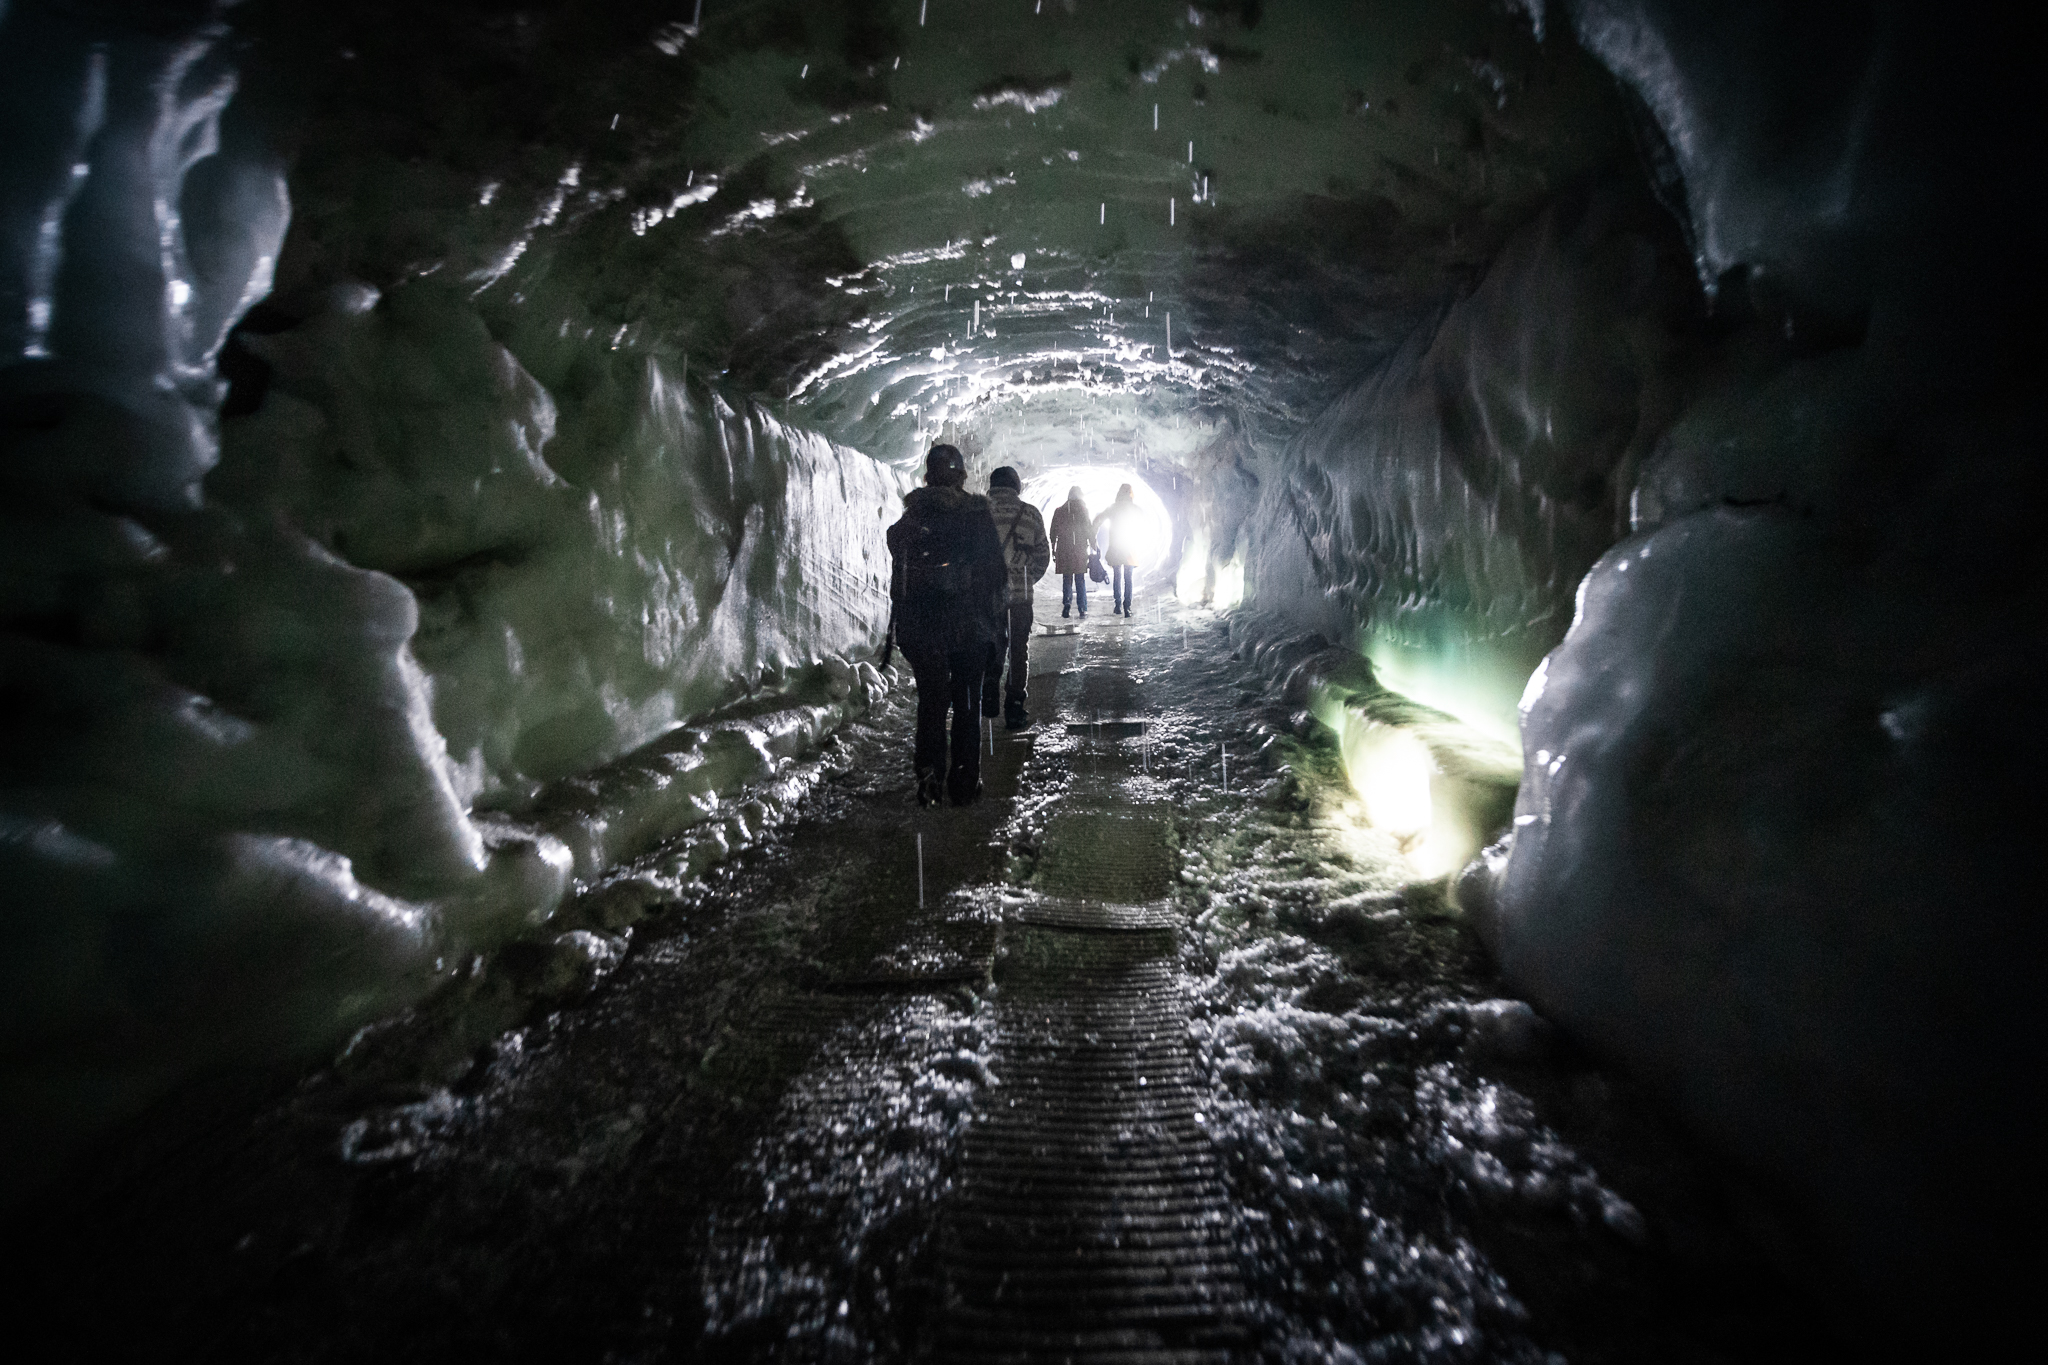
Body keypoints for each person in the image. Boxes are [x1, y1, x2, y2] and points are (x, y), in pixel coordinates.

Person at [886, 444, 1008, 807]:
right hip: (968, 629)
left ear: (927, 477)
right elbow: (996, 575)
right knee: (966, 704)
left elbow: (899, 568)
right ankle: (965, 783)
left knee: (932, 703)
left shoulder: (912, 519)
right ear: (960, 477)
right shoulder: (975, 516)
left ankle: (928, 779)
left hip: (923, 631)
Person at [981, 467, 1050, 730]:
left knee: (992, 642)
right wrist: (1027, 578)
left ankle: (989, 688)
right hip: (1020, 597)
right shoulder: (1030, 514)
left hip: (989, 596)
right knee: (1019, 649)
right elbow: (1043, 554)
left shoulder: (980, 513)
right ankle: (1015, 707)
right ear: (1016, 487)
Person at [1092, 483, 1146, 616]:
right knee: (1128, 577)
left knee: (1117, 576)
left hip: (1116, 547)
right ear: (1130, 494)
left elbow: (1098, 520)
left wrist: (1093, 534)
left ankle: (1117, 605)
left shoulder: (1113, 508)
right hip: (1129, 546)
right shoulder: (1135, 509)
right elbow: (1144, 521)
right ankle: (1127, 607)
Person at [1048, 485, 1092, 618]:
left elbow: (1052, 532)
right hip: (1079, 549)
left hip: (1063, 549)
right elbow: (1089, 530)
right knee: (1080, 579)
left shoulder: (1059, 511)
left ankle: (1067, 603)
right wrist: (1094, 545)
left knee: (1067, 578)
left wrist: (1053, 547)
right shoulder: (1083, 510)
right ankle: (1082, 608)